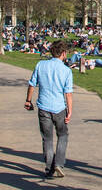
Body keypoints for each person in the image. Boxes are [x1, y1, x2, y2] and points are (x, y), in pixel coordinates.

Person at [25, 40, 73, 179]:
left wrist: (28, 100)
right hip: (59, 107)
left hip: (44, 106)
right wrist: (70, 110)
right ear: (63, 54)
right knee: (63, 135)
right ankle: (58, 163)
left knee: (47, 138)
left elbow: (32, 84)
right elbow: (68, 93)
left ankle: (49, 167)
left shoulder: (41, 65)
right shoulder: (66, 70)